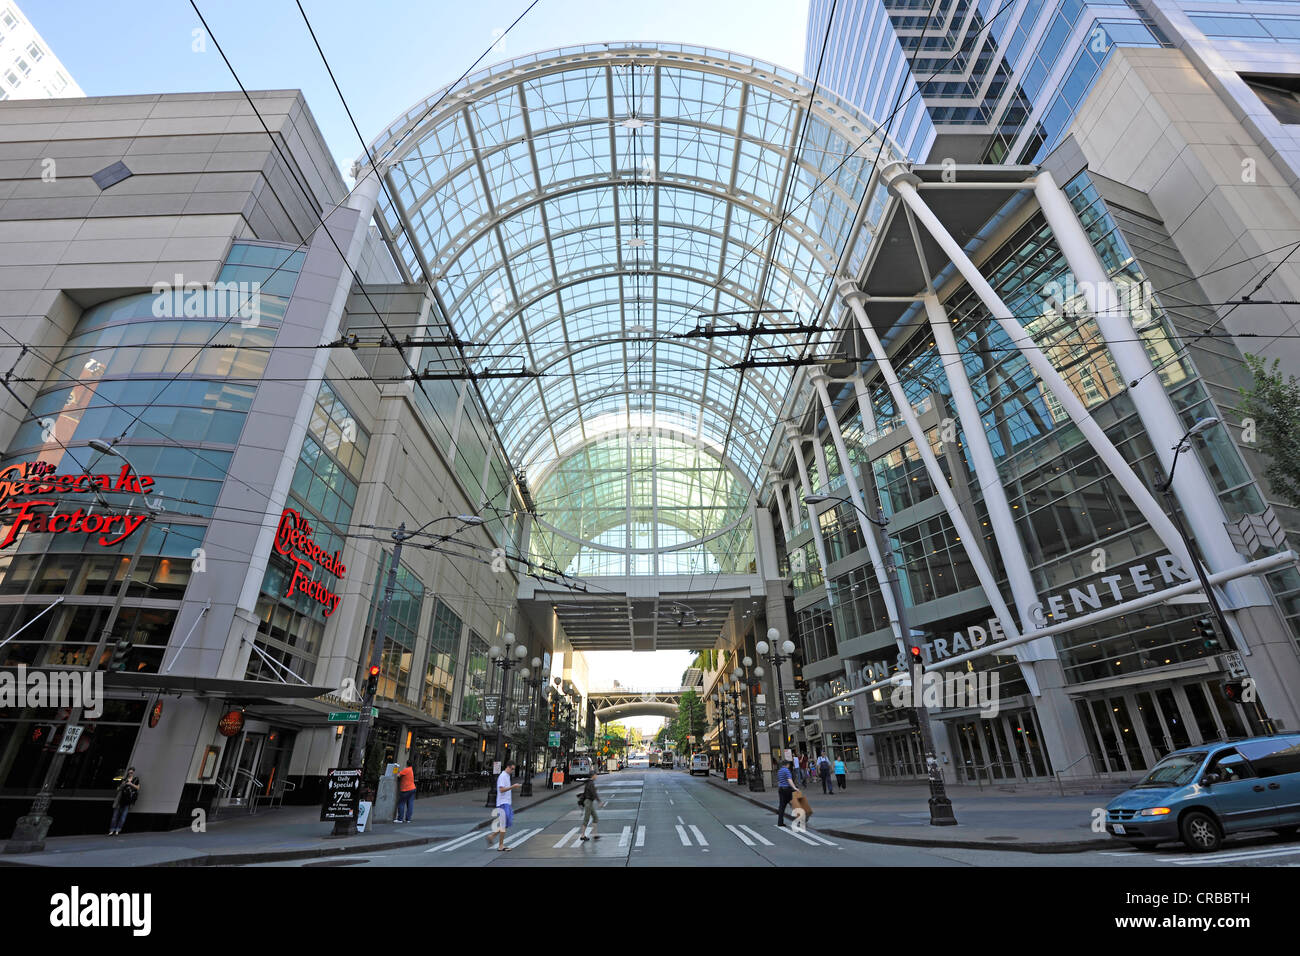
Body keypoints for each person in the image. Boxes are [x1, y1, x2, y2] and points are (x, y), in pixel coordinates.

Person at [488, 760, 521, 851]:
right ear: (508, 766)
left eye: (514, 769)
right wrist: (513, 787)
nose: (513, 770)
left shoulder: (507, 776)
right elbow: (501, 790)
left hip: (507, 803)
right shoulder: (502, 776)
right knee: (503, 824)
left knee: (506, 824)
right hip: (502, 803)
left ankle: (492, 836)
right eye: (512, 769)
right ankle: (500, 845)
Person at [109, 767, 140, 836]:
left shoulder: (135, 779)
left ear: (133, 773)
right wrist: (123, 784)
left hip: (128, 800)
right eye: (129, 772)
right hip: (120, 799)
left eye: (131, 772)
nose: (130, 773)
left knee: (123, 817)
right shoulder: (123, 779)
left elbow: (138, 788)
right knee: (115, 816)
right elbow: (118, 789)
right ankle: (112, 830)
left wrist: (131, 784)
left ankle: (118, 830)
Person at [578, 772, 606, 841]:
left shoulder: (589, 783)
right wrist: (599, 802)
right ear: (593, 776)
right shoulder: (591, 783)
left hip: (589, 802)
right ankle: (582, 835)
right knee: (586, 819)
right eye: (595, 775)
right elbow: (594, 793)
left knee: (595, 818)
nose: (596, 776)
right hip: (588, 803)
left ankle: (595, 834)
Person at [776, 760, 798, 827]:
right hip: (787, 790)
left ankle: (780, 822)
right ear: (787, 764)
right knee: (794, 804)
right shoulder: (787, 771)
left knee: (782, 806)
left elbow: (779, 780)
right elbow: (789, 780)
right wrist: (794, 788)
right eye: (789, 764)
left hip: (781, 789)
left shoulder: (779, 771)